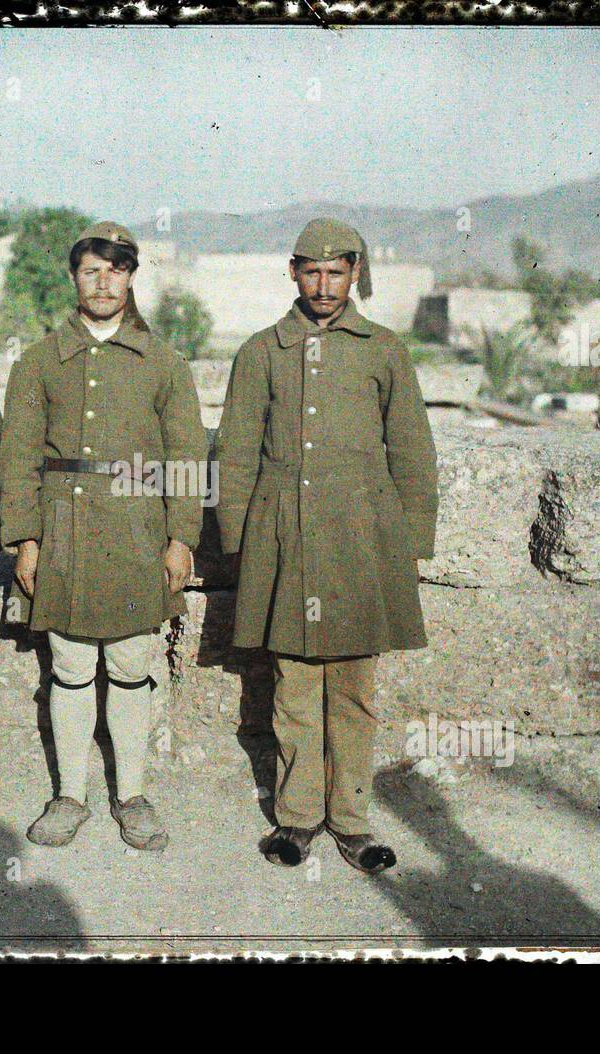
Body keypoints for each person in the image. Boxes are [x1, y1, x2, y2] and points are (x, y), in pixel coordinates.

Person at [212, 217, 439, 872]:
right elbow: (234, 456)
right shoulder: (261, 353)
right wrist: (239, 545)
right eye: (311, 270)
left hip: (363, 543)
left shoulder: (384, 350)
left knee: (354, 688)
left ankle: (352, 821)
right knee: (294, 686)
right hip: (286, 543)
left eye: (337, 271)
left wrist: (411, 546)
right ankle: (298, 818)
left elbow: (413, 454)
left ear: (355, 274)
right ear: (292, 272)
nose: (324, 283)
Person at [0, 221, 207, 851]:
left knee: (129, 661)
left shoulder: (164, 362)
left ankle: (133, 795)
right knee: (67, 662)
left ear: (131, 278)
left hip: (137, 527)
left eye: (116, 270)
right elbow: (16, 456)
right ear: (73, 277)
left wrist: (181, 537)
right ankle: (69, 795)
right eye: (91, 270)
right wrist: (25, 539)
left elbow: (188, 454)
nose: (103, 282)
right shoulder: (39, 361)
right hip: (64, 530)